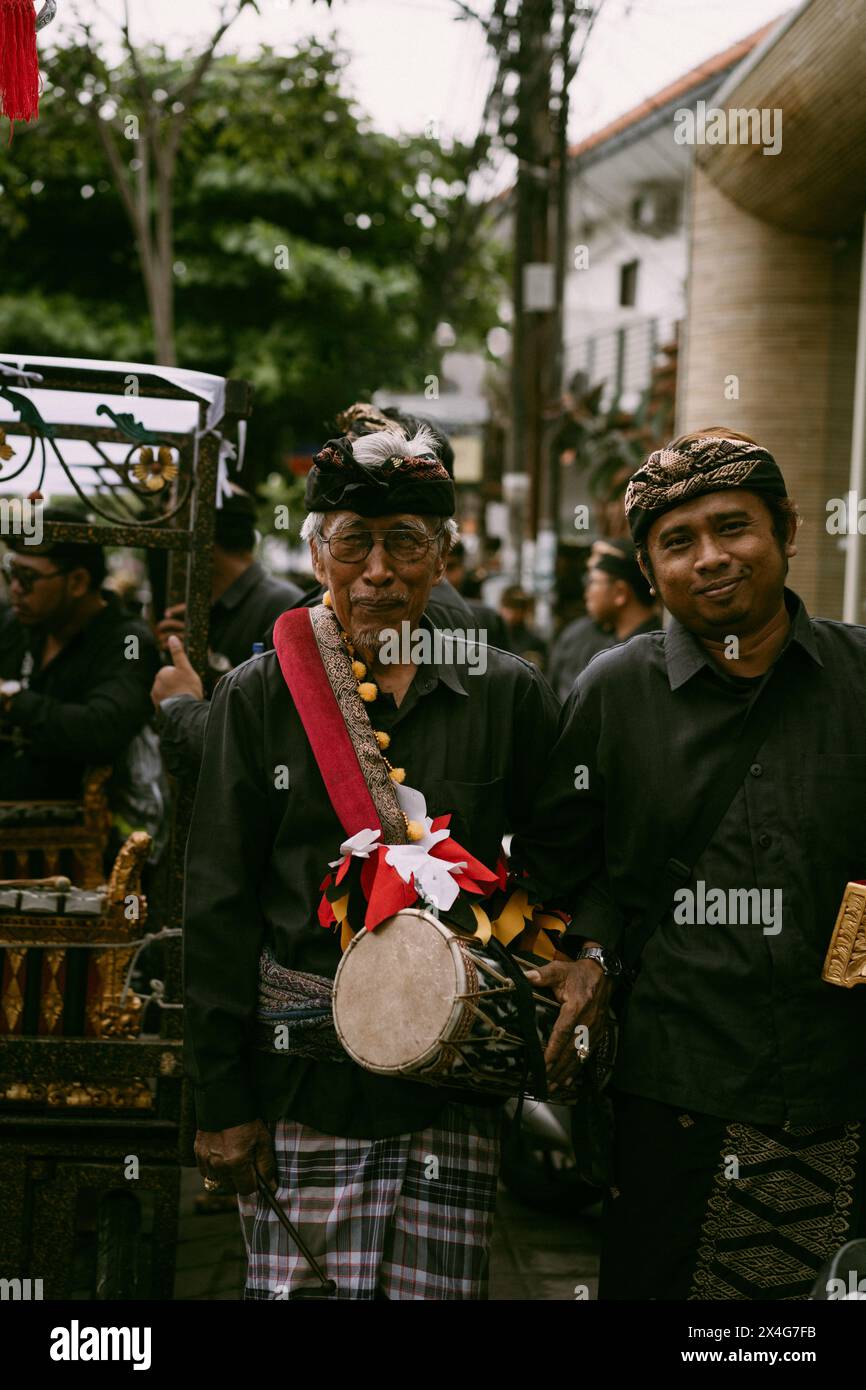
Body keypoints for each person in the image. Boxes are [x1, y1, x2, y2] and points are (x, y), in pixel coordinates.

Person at [183, 423, 561, 1300]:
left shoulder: (507, 693)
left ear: (444, 557)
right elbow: (217, 903)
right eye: (353, 543)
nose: (378, 571)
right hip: (302, 1088)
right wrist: (222, 1102)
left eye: (404, 543)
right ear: (318, 553)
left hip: (451, 1096)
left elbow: (565, 865)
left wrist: (569, 964)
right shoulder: (260, 697)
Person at [513, 428, 866, 1300]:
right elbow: (553, 872)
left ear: (786, 530)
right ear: (646, 571)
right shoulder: (613, 692)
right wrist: (583, 960)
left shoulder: (860, 679)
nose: (710, 558)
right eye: (678, 542)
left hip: (847, 1081)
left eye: (733, 527)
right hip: (677, 1091)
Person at [0, 510, 159, 802]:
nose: (15, 589)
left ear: (77, 582)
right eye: (11, 573)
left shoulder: (130, 641)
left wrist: (13, 700)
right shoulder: (17, 625)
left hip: (87, 833)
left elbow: (103, 729)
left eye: (27, 577)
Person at [151, 489, 301, 778]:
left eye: (172, 533)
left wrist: (209, 663)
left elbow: (277, 723)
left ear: (202, 537)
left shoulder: (284, 606)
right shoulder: (199, 602)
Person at [548, 539, 658, 700]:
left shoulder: (653, 652)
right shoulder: (586, 639)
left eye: (593, 582)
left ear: (620, 593)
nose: (587, 592)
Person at [499, 585, 547, 668]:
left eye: (517, 607)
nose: (512, 613)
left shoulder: (535, 643)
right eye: (508, 606)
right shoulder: (491, 634)